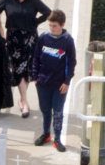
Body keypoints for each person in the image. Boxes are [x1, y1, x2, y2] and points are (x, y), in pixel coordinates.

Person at [1, 0, 52, 119]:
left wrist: (35, 22)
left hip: (29, 38)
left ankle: (23, 100)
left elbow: (48, 12)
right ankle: (23, 100)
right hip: (13, 38)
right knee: (17, 69)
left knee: (26, 69)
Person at [31, 9, 77, 152]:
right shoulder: (43, 38)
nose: (52, 28)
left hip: (59, 84)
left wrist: (67, 82)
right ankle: (46, 134)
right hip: (43, 82)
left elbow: (72, 63)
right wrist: (35, 76)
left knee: (57, 112)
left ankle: (57, 138)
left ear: (62, 24)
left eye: (55, 26)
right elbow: (36, 57)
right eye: (50, 25)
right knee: (45, 110)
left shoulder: (68, 41)